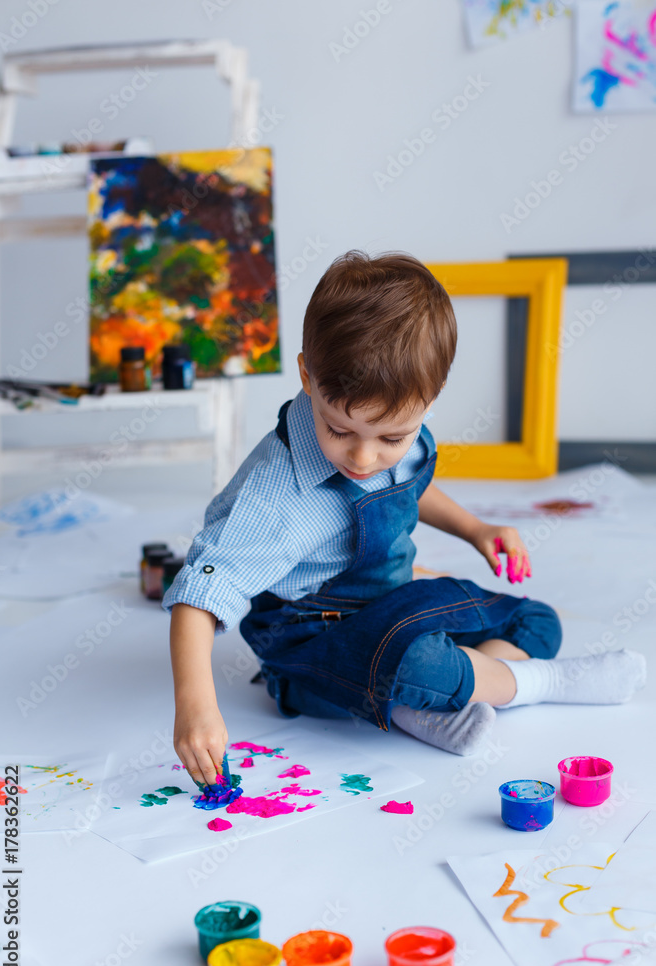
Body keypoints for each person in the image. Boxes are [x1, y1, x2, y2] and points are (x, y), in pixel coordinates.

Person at [164, 251, 646, 788]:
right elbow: (200, 592)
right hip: (312, 635)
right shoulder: (273, 497)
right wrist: (196, 706)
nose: (364, 459)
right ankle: (535, 682)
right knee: (415, 666)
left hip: (392, 599)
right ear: (308, 375)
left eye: (391, 438)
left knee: (536, 622)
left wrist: (475, 529)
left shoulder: (403, 434)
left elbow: (408, 485)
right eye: (339, 430)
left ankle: (427, 699)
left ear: (430, 400)